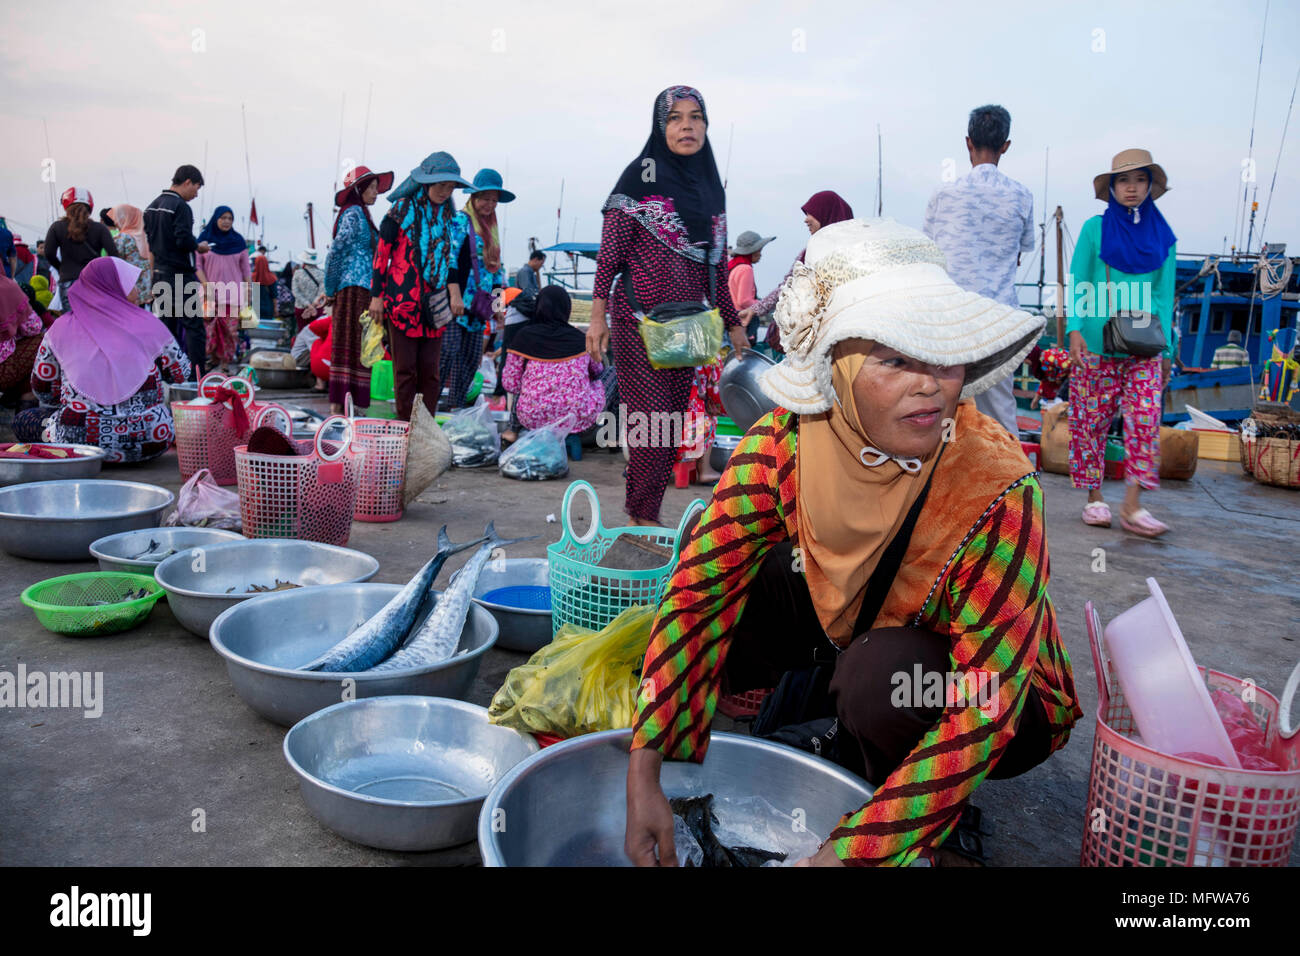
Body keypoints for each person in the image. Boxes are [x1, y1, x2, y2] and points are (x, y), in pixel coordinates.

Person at [624, 218, 1081, 867]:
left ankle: (922, 822)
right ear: (833, 366)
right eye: (895, 358)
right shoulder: (786, 442)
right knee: (733, 564)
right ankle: (843, 724)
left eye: (941, 353)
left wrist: (848, 855)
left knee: (880, 679)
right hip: (865, 626)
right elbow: (700, 590)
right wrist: (645, 769)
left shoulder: (995, 488)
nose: (932, 384)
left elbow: (988, 705)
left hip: (1003, 699)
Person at [588, 86, 747, 526]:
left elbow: (715, 268)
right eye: (675, 118)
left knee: (672, 423)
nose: (687, 126)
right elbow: (611, 253)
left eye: (696, 117)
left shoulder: (712, 189)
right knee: (650, 419)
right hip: (637, 319)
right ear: (661, 126)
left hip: (689, 327)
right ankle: (642, 515)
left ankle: (646, 509)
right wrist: (597, 315)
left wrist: (733, 326)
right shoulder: (639, 177)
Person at [1067, 149, 1177, 538]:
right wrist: (1074, 330)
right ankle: (1095, 499)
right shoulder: (1094, 230)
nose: (1132, 189)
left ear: (1150, 186)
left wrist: (1169, 350)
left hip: (1145, 345)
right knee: (1090, 422)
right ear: (1112, 187)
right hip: (1097, 342)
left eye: (1140, 181)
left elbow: (1165, 296)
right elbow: (1079, 281)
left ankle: (1132, 505)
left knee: (1145, 419)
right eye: (1124, 181)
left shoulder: (1163, 236)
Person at [922, 104, 1035, 438]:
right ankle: (1012, 483)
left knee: (943, 404)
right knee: (1000, 412)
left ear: (968, 143)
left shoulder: (944, 193)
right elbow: (1021, 248)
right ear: (1006, 146)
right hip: (999, 321)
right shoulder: (1021, 195)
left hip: (950, 318)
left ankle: (942, 481)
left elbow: (929, 253)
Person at [22, 257, 191, 460]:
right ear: (114, 288)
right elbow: (182, 373)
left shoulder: (59, 329)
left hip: (77, 443)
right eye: (131, 285)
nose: (138, 291)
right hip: (152, 439)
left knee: (25, 420)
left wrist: (77, 396)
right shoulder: (150, 326)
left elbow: (43, 388)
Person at [369, 151, 472, 421]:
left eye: (450, 187)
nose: (445, 191)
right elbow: (382, 254)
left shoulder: (447, 214)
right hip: (402, 302)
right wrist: (376, 297)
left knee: (431, 371)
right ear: (426, 182)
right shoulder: (402, 209)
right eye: (441, 185)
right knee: (405, 371)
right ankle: (405, 429)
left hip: (434, 306)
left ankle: (425, 427)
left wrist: (453, 292)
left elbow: (449, 258)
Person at [501, 285, 615, 440]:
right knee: (614, 373)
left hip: (532, 418)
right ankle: (612, 437)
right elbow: (598, 371)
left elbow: (510, 384)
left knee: (521, 383)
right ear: (566, 309)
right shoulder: (581, 339)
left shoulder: (523, 337)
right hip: (577, 417)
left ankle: (512, 431)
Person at [747, 190, 855, 353]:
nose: (806, 219)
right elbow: (787, 286)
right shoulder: (809, 253)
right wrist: (756, 309)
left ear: (827, 214)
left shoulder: (851, 255)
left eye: (812, 213)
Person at [442, 168, 514, 409]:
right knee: (446, 355)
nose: (490, 204)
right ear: (473, 196)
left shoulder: (492, 229)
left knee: (470, 360)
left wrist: (498, 309)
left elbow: (497, 273)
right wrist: (454, 296)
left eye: (494, 200)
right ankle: (426, 407)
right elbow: (450, 260)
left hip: (478, 307)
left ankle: (456, 408)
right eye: (485, 198)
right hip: (457, 303)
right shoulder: (461, 220)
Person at [325, 164, 393, 414]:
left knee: (361, 346)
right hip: (351, 290)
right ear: (360, 189)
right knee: (348, 345)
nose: (376, 193)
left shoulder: (364, 214)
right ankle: (338, 406)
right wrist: (330, 288)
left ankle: (350, 405)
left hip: (364, 290)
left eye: (377, 188)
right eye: (372, 188)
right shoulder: (353, 213)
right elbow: (337, 250)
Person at [144, 165, 208, 376]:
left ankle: (164, 375)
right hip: (180, 275)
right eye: (197, 188)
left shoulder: (152, 207)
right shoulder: (180, 207)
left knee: (165, 329)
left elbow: (151, 246)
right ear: (188, 181)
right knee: (194, 328)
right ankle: (196, 375)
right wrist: (198, 246)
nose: (196, 194)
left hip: (160, 275)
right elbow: (183, 239)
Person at [196, 206, 252, 370]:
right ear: (216, 219)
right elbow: (197, 266)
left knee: (230, 332)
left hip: (233, 296)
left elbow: (246, 269)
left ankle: (225, 364)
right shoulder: (204, 241)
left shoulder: (238, 241)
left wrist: (249, 290)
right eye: (223, 218)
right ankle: (212, 359)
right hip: (209, 295)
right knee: (210, 331)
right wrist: (206, 285)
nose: (227, 221)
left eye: (230, 218)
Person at [44, 187, 120, 304]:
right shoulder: (100, 228)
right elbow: (114, 255)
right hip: (95, 281)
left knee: (72, 319)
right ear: (90, 206)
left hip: (68, 280)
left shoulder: (56, 227)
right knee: (95, 320)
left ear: (65, 205)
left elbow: (49, 253)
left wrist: (61, 268)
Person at [0, 276, 45, 408]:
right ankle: (23, 403)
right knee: (44, 343)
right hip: (3, 372)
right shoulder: (7, 288)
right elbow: (33, 327)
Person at [727, 230, 776, 344]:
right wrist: (764, 305)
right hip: (744, 321)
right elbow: (744, 301)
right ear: (752, 252)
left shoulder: (735, 266)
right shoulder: (746, 269)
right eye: (759, 250)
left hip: (733, 321)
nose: (761, 254)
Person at [111, 205, 153, 303]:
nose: (115, 221)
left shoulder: (122, 238)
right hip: (147, 283)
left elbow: (115, 259)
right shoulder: (146, 235)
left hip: (130, 284)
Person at [292, 250, 326, 329]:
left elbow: (295, 292)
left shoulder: (297, 273)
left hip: (301, 308)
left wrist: (308, 305)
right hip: (317, 308)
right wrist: (313, 306)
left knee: (302, 332)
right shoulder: (322, 274)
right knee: (317, 333)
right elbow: (322, 292)